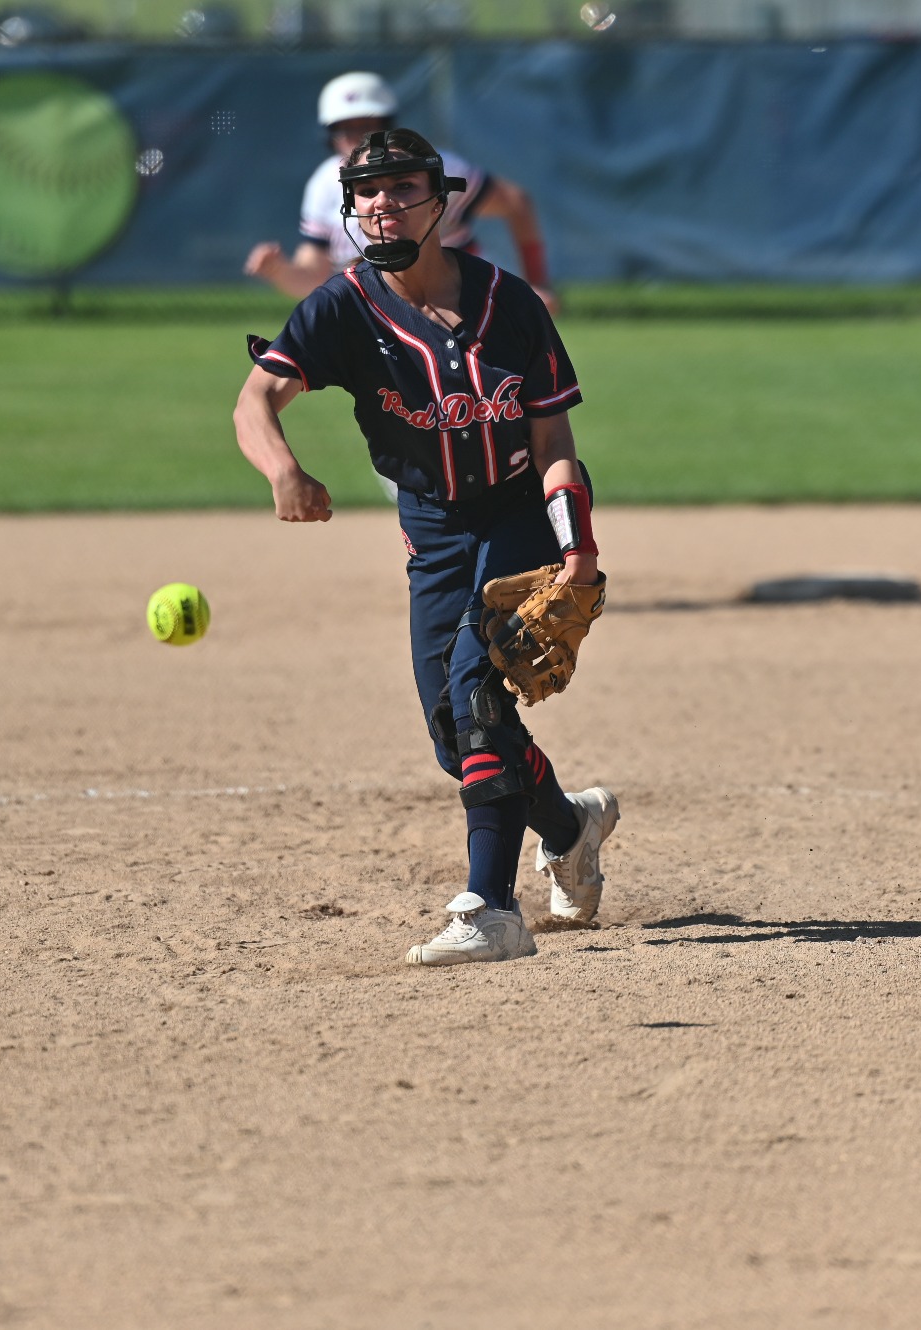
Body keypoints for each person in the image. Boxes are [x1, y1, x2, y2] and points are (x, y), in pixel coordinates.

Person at [233, 128, 617, 968]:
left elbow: (553, 439)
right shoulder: (342, 308)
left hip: (518, 511)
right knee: (455, 732)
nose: (384, 205)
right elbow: (254, 402)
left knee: (477, 691)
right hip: (435, 529)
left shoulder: (508, 303)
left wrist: (577, 551)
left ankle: (492, 910)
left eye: (404, 188)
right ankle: (569, 826)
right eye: (368, 192)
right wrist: (284, 472)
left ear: (441, 202)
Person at [244, 71, 559, 313]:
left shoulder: (434, 168)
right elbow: (313, 275)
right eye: (346, 128)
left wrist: (537, 282)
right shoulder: (324, 184)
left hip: (464, 303)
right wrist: (279, 271)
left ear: (388, 125)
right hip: (379, 315)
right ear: (331, 135)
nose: (359, 138)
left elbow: (516, 203)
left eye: (368, 126)